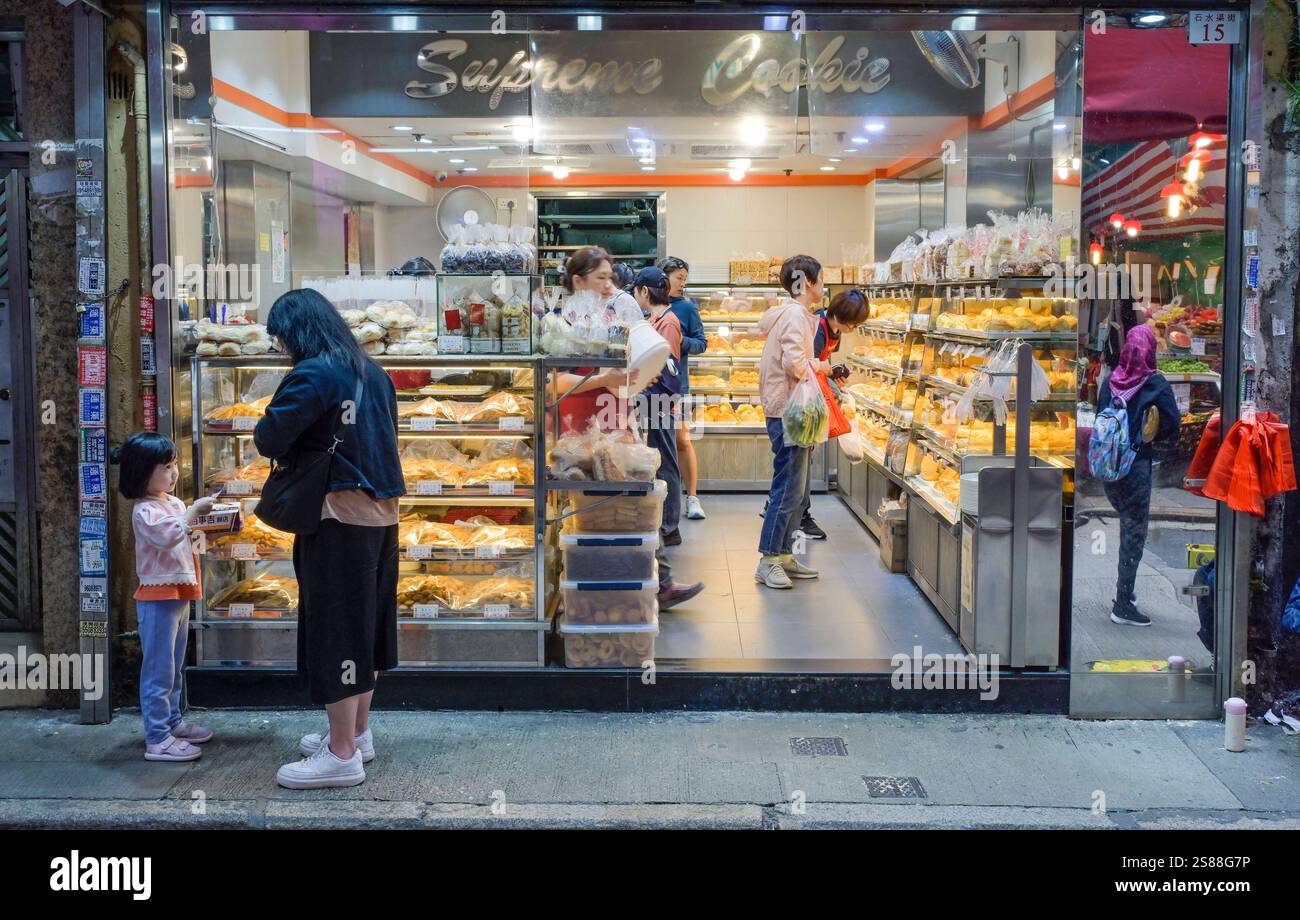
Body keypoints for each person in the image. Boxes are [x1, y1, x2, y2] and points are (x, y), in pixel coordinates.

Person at [254, 288, 406, 789]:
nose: (280, 348)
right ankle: (357, 733)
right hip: (381, 513)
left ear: (296, 332)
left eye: (280, 338)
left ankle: (341, 755)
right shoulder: (372, 370)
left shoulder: (314, 372)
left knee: (336, 629)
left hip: (338, 512)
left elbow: (269, 438)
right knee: (366, 628)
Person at [119, 432, 216, 762]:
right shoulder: (145, 511)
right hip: (157, 596)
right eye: (166, 467)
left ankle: (172, 722)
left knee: (174, 666)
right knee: (158, 668)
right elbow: (169, 536)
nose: (174, 473)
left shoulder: (172, 503)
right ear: (142, 471)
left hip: (179, 591)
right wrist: (193, 514)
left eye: (174, 465)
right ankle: (157, 738)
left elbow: (185, 533)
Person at [755, 255, 832, 589]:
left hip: (788, 408)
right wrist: (823, 367)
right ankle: (769, 559)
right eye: (822, 279)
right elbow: (794, 365)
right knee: (787, 488)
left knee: (797, 490)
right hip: (788, 410)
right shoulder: (796, 316)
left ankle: (784, 554)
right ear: (808, 283)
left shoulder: (792, 314)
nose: (824, 286)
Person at [1096, 324, 1181, 627]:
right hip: (1135, 466)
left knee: (1125, 526)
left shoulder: (1111, 380)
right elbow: (1172, 423)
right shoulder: (1154, 383)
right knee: (1133, 533)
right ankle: (1122, 603)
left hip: (1108, 469)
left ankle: (1125, 591)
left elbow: (1098, 416)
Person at [631, 265, 704, 609]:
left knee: (668, 462)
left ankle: (670, 525)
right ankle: (668, 525)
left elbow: (668, 367)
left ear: (645, 292)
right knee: (663, 460)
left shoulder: (670, 322)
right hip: (654, 400)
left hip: (661, 401)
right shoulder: (657, 321)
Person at [797, 288, 868, 538]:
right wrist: (830, 378)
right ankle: (798, 515)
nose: (851, 328)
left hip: (816, 395)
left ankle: (793, 510)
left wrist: (835, 378)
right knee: (801, 458)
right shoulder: (817, 328)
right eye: (850, 323)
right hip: (806, 400)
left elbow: (824, 366)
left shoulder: (835, 330)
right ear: (837, 314)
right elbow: (809, 368)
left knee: (803, 458)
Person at [550, 246, 630, 435]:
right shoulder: (561, 324)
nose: (608, 284)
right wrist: (604, 379)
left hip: (614, 418)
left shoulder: (611, 318)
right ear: (578, 281)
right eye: (601, 278)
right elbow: (554, 383)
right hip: (577, 424)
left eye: (610, 277)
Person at [660, 257, 708, 522]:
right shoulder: (648, 307)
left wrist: (679, 339)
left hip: (679, 386)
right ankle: (664, 498)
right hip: (651, 386)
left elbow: (702, 344)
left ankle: (692, 497)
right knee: (656, 443)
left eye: (684, 279)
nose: (682, 283)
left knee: (682, 439)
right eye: (679, 277)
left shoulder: (687, 309)